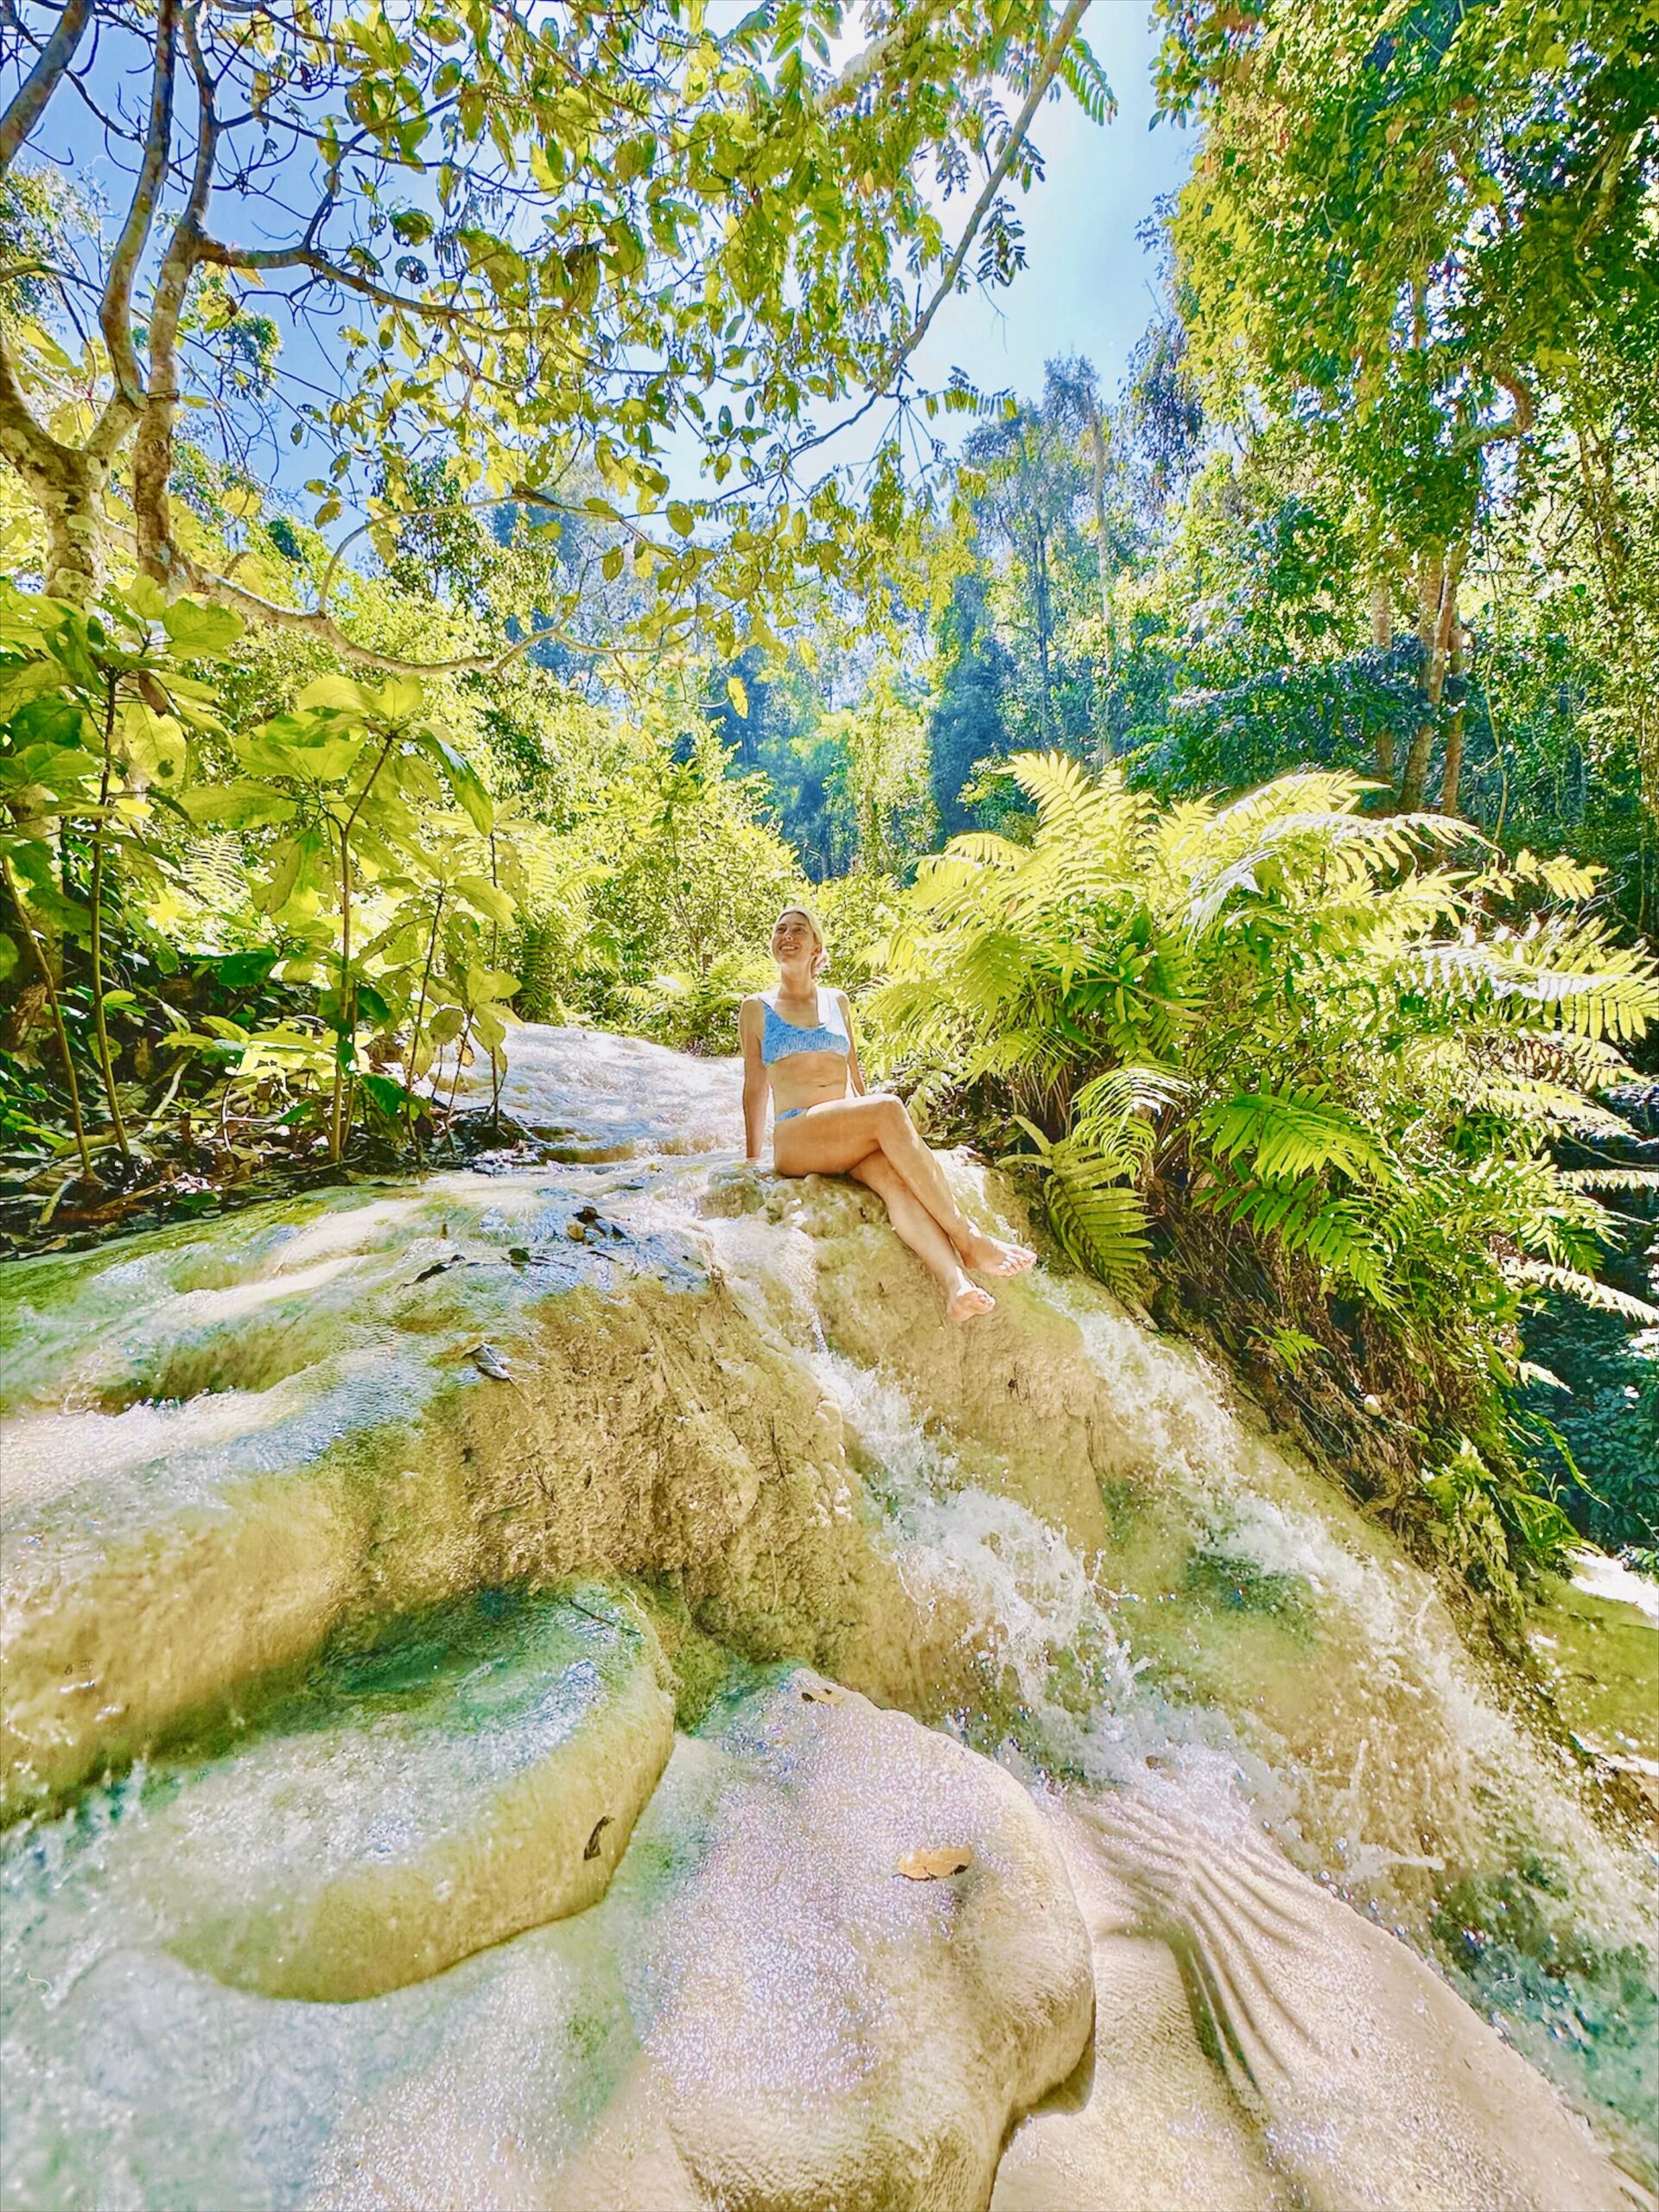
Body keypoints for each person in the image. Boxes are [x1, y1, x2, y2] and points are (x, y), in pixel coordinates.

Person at [739, 906, 1035, 1322]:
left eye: (798, 930)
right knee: (887, 1108)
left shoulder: (837, 1001)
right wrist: (753, 1161)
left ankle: (956, 1286)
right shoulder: (756, 1008)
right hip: (797, 1136)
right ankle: (968, 1238)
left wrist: (889, 1136)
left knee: (896, 1181)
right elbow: (754, 1089)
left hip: (845, 1134)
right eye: (780, 929)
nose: (786, 935)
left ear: (816, 947)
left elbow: (855, 1079)